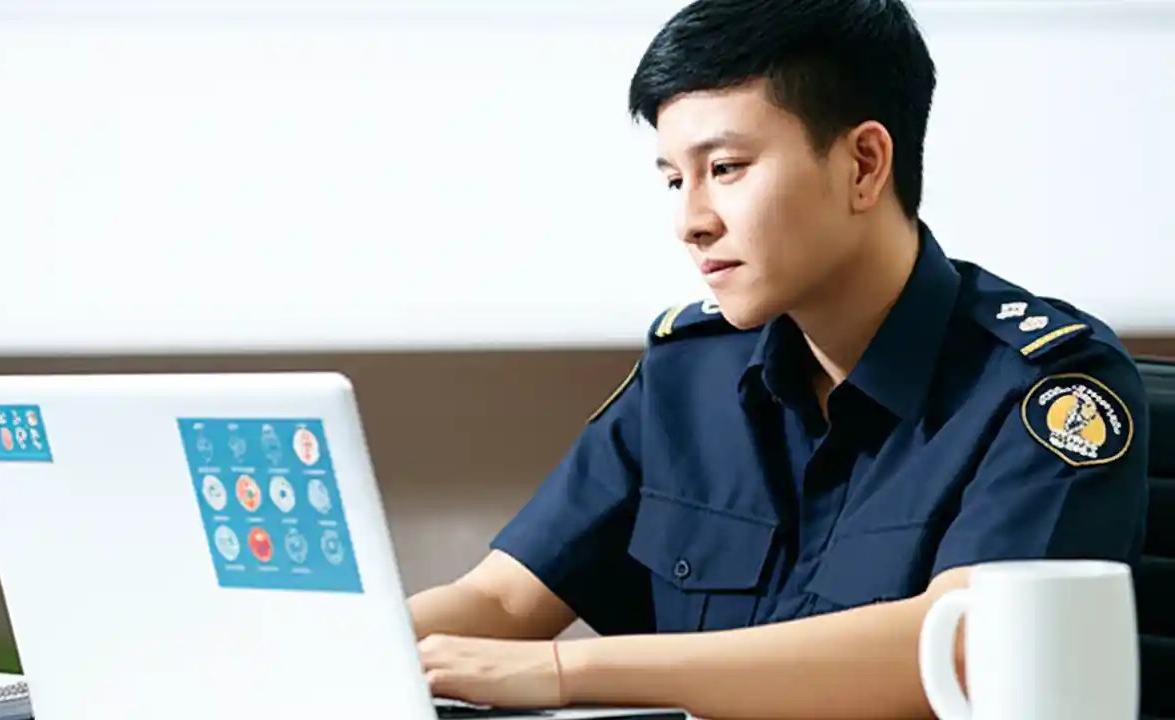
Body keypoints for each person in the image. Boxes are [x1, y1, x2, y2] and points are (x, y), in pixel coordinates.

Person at [409, 0, 1150, 717]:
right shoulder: (687, 373)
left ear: (864, 164)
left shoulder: (1048, 386)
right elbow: (502, 600)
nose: (690, 222)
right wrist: (341, 643)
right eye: (674, 179)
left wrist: (567, 672)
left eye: (725, 168)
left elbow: (964, 650)